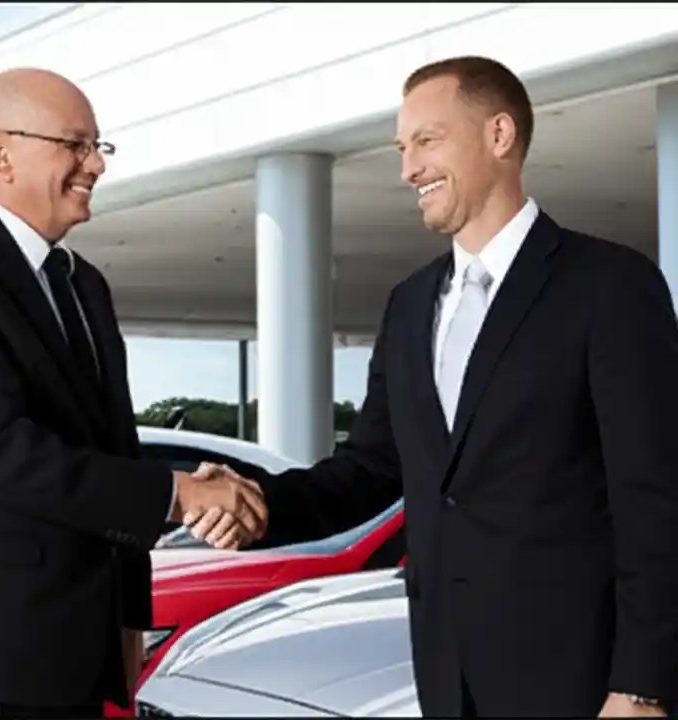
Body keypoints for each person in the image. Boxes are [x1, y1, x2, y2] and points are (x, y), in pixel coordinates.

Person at [190, 55, 678, 718]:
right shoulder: (410, 304)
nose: (408, 169)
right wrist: (260, 504)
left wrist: (642, 685)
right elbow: (371, 467)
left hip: (582, 681)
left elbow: (655, 500)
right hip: (444, 676)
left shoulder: (610, 286)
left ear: (499, 136)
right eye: (401, 148)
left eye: (427, 141)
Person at [0, 67, 268, 717]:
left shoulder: (83, 285)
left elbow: (111, 446)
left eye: (98, 147)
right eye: (75, 145)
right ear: (1, 153)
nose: (95, 166)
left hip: (77, 656)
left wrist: (126, 619)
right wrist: (182, 494)